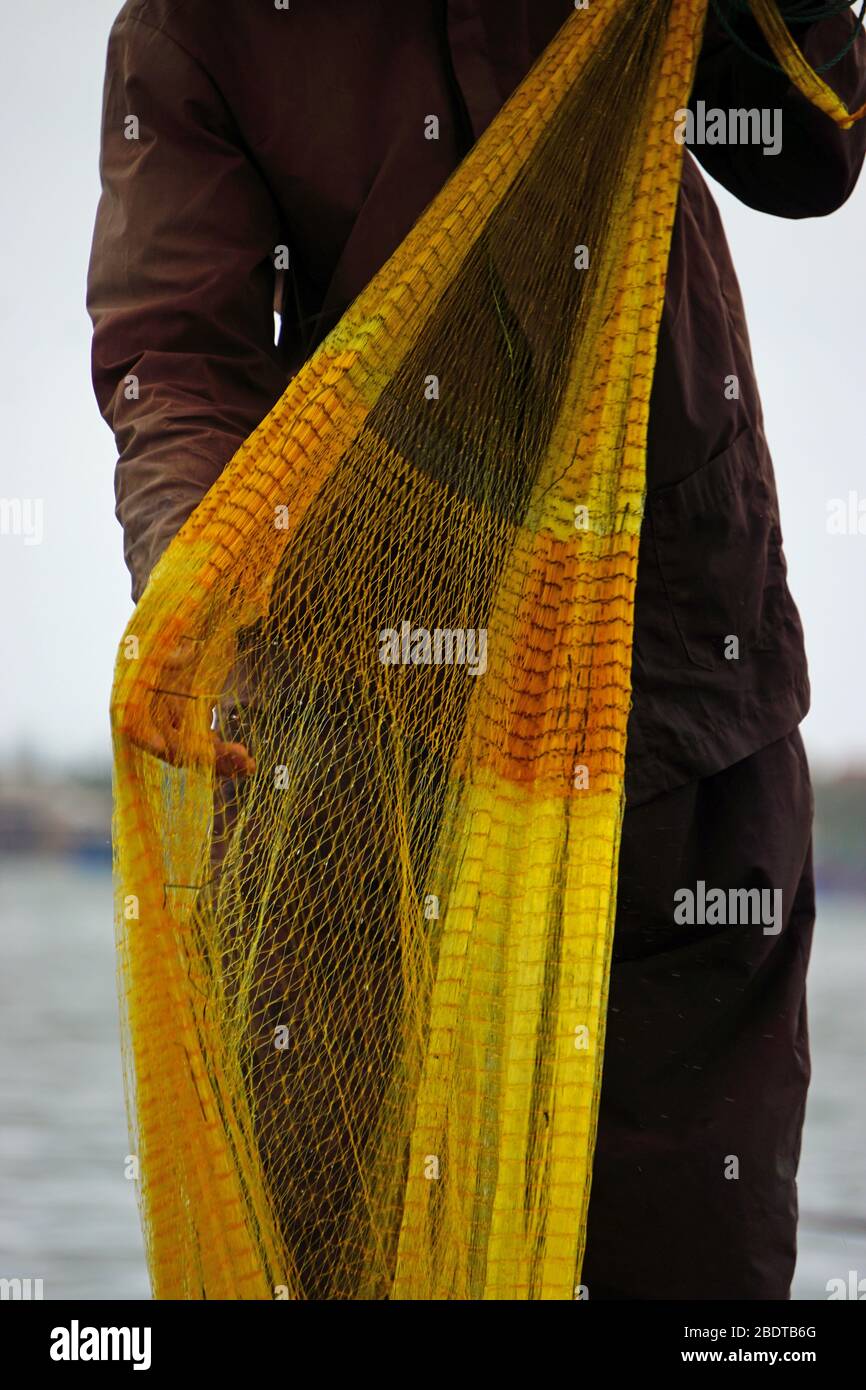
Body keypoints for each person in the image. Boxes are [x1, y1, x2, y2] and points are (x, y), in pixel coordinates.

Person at [87, 0, 866, 1299]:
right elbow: (174, 353)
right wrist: (192, 591)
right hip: (356, 730)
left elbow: (806, 154)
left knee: (702, 1259)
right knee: (344, 1245)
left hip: (674, 685)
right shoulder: (192, 24)